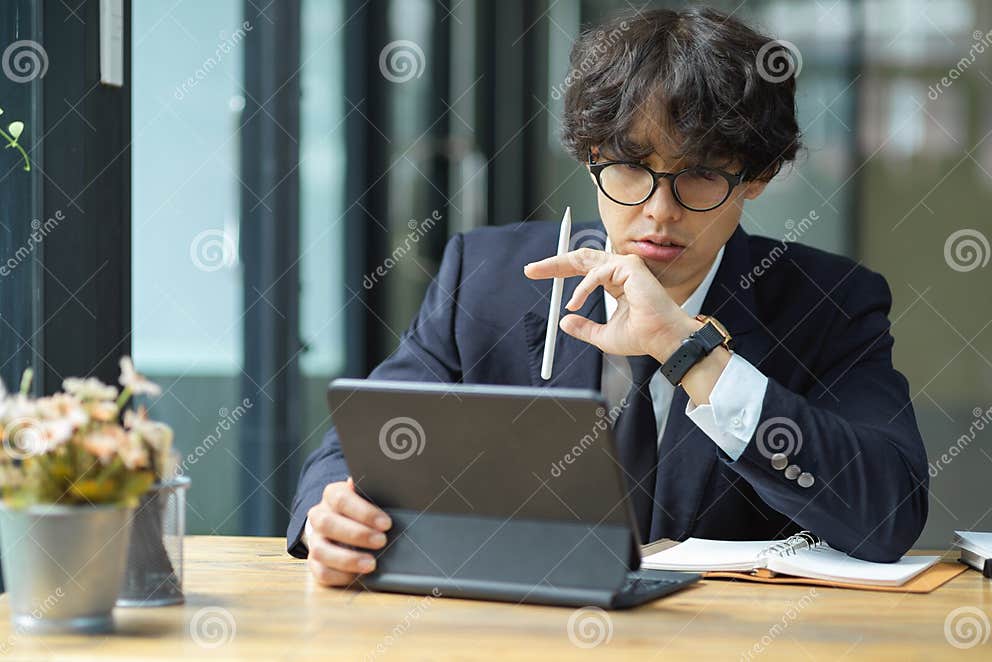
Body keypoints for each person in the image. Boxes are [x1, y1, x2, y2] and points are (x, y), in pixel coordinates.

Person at [289, 6, 928, 587]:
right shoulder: (486, 277)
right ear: (592, 155)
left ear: (755, 178)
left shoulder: (829, 303)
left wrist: (688, 353)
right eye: (629, 165)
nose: (659, 212)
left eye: (701, 175)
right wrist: (333, 512)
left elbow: (887, 514)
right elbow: (363, 444)